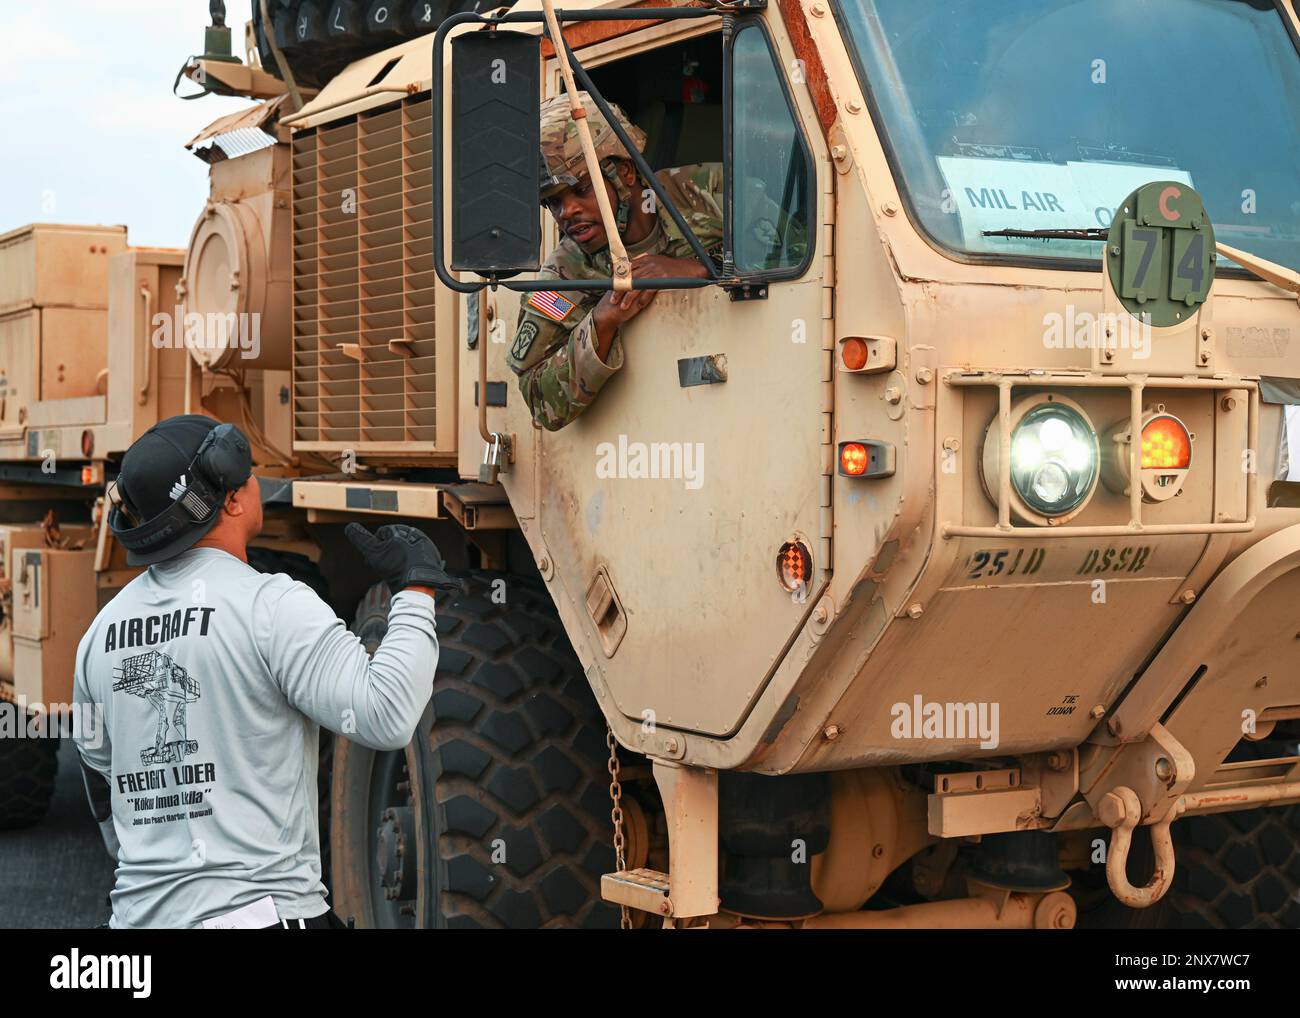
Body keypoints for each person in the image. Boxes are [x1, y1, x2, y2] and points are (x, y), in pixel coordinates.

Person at [72, 414, 458, 929]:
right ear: (231, 500)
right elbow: (386, 714)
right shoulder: (271, 607)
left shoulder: (99, 637)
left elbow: (104, 784)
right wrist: (416, 585)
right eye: (249, 473)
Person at [507, 91, 726, 431]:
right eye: (553, 202)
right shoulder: (565, 273)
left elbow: (796, 242)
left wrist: (705, 267)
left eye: (581, 189)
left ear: (624, 173)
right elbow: (537, 399)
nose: (568, 211)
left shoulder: (705, 193)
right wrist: (602, 322)